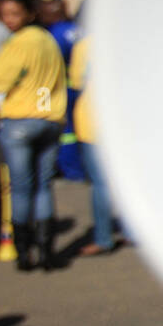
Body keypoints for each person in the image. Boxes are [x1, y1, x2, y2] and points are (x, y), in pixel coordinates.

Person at [0, 0, 68, 270]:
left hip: (20, 122)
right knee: (43, 187)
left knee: (22, 189)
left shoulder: (19, 44)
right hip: (50, 119)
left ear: (29, 13)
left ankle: (24, 254)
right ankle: (47, 252)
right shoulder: (48, 41)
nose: (9, 20)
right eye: (4, 15)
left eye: (14, 13)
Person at [67, 20, 122, 255]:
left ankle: (103, 238)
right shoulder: (125, 42)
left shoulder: (85, 45)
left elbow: (76, 83)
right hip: (122, 121)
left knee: (101, 183)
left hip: (92, 120)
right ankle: (130, 232)